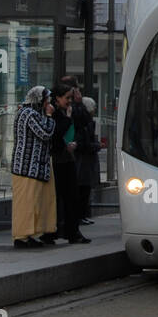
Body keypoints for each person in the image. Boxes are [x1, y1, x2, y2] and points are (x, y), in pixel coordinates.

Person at [12, 86, 58, 248]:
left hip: (35, 166)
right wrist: (49, 116)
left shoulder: (33, 114)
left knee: (36, 202)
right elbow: (45, 132)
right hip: (26, 166)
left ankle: (31, 233)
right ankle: (22, 235)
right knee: (26, 203)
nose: (49, 104)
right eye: (47, 101)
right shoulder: (28, 114)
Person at [51, 78, 89, 243]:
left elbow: (84, 121)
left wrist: (79, 105)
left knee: (72, 197)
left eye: (71, 98)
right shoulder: (53, 113)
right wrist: (67, 118)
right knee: (59, 197)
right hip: (57, 159)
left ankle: (72, 231)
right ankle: (56, 229)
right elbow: (56, 133)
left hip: (67, 158)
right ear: (57, 98)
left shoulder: (70, 110)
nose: (69, 101)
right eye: (67, 98)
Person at [74, 94, 100, 227]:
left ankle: (83, 215)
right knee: (83, 190)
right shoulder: (85, 124)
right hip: (84, 162)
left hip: (85, 162)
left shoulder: (87, 123)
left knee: (85, 190)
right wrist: (97, 146)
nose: (95, 110)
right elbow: (85, 143)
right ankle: (81, 215)